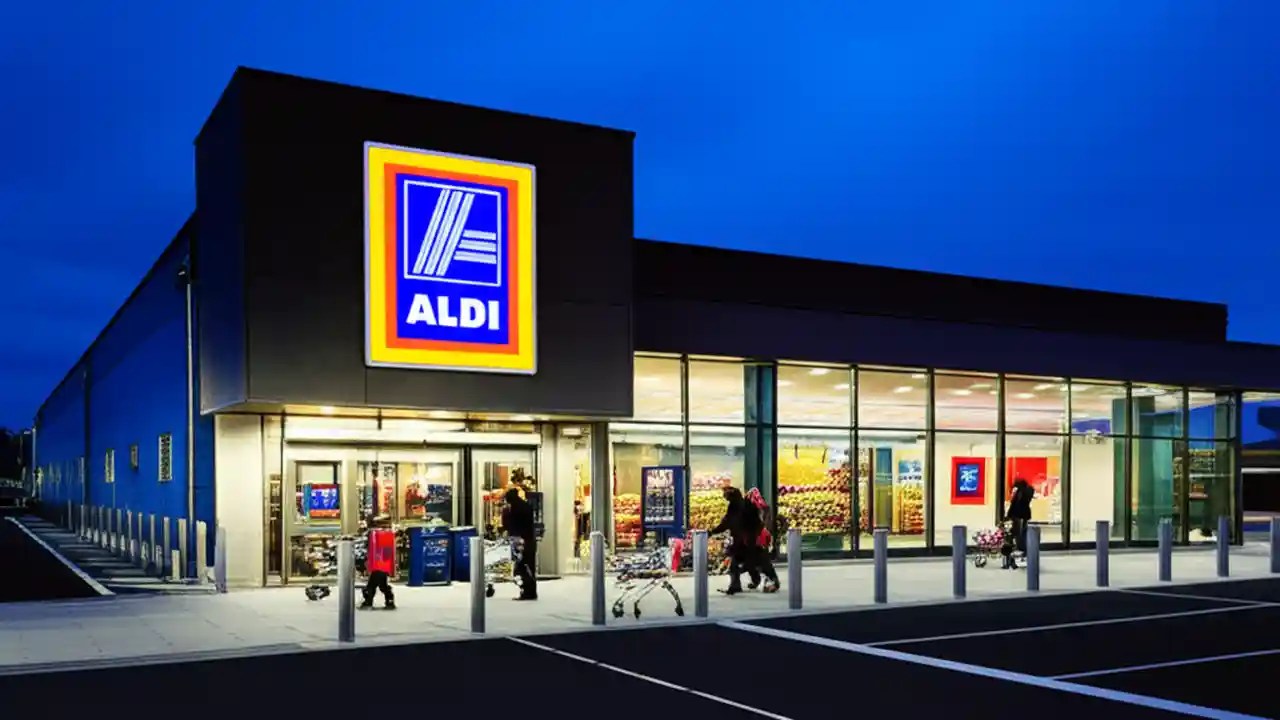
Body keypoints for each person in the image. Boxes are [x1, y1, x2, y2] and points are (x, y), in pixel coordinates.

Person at [710, 487, 780, 595]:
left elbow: (726, 523)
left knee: (753, 562)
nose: (724, 497)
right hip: (747, 541)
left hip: (747, 541)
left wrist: (712, 532)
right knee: (753, 562)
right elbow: (727, 523)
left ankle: (740, 584)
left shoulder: (739, 507)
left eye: (725, 495)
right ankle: (742, 584)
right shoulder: (740, 506)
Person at [501, 487, 538, 600]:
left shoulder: (515, 509)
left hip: (521, 541)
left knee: (521, 567)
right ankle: (531, 591)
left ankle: (527, 591)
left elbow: (511, 525)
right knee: (529, 567)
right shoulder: (525, 506)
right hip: (529, 540)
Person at [360, 527, 396, 610]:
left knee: (372, 585)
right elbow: (387, 553)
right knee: (382, 585)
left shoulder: (375, 534)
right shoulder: (387, 535)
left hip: (378, 566)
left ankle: (368, 602)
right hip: (384, 566)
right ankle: (389, 601)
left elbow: (373, 551)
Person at [1006, 477, 1035, 557]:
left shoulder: (1022, 491)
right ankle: (1021, 547)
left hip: (1018, 514)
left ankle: (1021, 547)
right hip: (1023, 514)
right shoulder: (1027, 490)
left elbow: (1016, 503)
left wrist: (1009, 514)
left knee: (1018, 532)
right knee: (1021, 531)